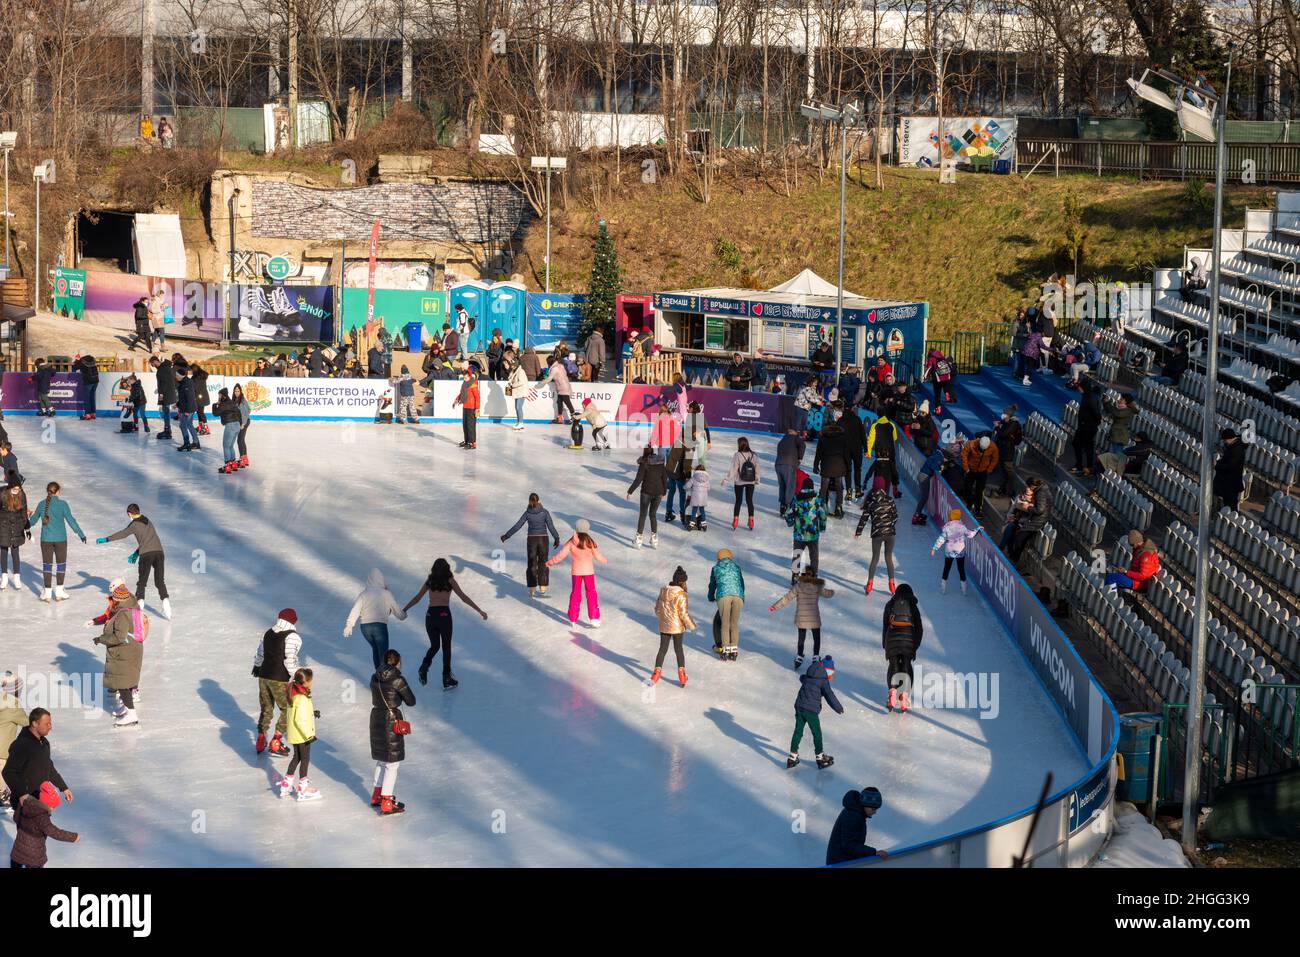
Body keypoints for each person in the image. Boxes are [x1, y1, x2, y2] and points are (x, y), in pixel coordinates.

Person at [401, 558, 486, 690]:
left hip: (430, 616)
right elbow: (464, 597)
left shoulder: (430, 581)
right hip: (444, 615)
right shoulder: (450, 581)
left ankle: (424, 666)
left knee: (434, 645)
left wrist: (404, 609)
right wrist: (479, 610)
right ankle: (446, 678)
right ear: (447, 568)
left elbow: (417, 598)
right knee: (446, 647)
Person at [96, 503, 170, 618]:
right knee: (160, 581)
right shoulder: (147, 521)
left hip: (146, 555)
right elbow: (148, 539)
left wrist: (107, 539)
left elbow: (123, 534)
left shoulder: (134, 525)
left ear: (129, 514)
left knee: (142, 583)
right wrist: (136, 553)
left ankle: (139, 608)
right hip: (159, 553)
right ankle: (166, 604)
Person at [92, 580, 146, 728]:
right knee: (127, 681)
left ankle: (131, 714)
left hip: (124, 652)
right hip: (134, 648)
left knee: (122, 684)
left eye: (115, 597)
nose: (112, 599)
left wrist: (101, 639)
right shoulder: (133, 605)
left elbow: (118, 637)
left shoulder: (123, 613)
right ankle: (126, 708)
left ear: (119, 598)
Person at [369, 649, 416, 816]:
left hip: (376, 717)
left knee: (382, 760)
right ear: (397, 662)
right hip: (391, 719)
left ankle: (377, 795)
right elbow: (411, 701)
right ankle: (387, 801)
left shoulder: (375, 677)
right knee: (392, 763)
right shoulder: (397, 679)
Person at [3, 708, 72, 815]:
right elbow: (8, 772)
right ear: (35, 723)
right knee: (28, 832)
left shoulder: (44, 743)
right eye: (47, 724)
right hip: (26, 803)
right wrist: (22, 794)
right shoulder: (21, 745)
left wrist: (64, 787)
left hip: (42, 800)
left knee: (42, 830)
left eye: (50, 723)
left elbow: (49, 767)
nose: (50, 727)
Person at [253, 608, 301, 757]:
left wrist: (257, 665)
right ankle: (276, 740)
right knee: (288, 709)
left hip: (264, 676)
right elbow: (289, 660)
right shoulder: (292, 637)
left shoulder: (267, 632)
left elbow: (260, 652)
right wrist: (297, 677)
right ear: (293, 621)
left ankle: (261, 738)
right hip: (279, 678)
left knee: (266, 708)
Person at [27, 482, 85, 602]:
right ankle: (59, 592)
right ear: (58, 491)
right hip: (60, 540)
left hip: (46, 540)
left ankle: (47, 593)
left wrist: (24, 522)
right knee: (61, 565)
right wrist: (80, 534)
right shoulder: (63, 504)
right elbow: (71, 520)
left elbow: (32, 522)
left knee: (47, 565)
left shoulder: (42, 504)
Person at [545, 521, 607, 627]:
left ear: (577, 529)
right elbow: (598, 556)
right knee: (591, 593)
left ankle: (573, 618)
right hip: (588, 573)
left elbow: (561, 555)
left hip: (576, 573)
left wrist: (550, 562)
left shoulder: (571, 542)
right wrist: (604, 561)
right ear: (587, 529)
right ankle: (594, 618)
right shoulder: (590, 542)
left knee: (575, 593)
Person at [770, 569, 835, 669]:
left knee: (801, 638)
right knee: (816, 638)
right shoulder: (818, 586)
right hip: (814, 617)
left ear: (804, 575)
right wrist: (832, 592)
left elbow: (787, 598)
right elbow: (827, 594)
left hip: (801, 617)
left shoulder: (798, 586)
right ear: (814, 576)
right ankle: (816, 657)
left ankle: (799, 656)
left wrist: (774, 606)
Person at [345, 569, 408, 672]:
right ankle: (384, 678)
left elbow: (355, 610)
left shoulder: (364, 594)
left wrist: (349, 624)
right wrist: (403, 615)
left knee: (375, 649)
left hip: (365, 628)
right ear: (381, 579)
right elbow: (396, 610)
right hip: (379, 627)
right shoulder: (386, 593)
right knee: (384, 654)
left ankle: (378, 675)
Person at [786, 655, 842, 770]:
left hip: (799, 706)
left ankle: (792, 757)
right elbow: (829, 695)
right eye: (830, 673)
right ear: (827, 670)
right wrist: (838, 707)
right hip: (811, 710)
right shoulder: (823, 679)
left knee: (798, 731)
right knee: (817, 733)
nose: (830, 675)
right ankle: (820, 758)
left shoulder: (810, 673)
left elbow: (802, 678)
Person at [10, 781, 79, 868]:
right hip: (34, 854)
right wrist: (73, 837)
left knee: (16, 861)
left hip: (19, 847)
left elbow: (16, 818)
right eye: (53, 807)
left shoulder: (26, 804)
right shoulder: (42, 817)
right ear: (48, 804)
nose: (53, 809)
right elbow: (54, 832)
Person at [276, 669, 321, 801]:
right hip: (302, 734)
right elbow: (300, 720)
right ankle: (303, 789)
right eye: (310, 680)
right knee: (305, 759)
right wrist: (309, 736)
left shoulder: (294, 692)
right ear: (305, 682)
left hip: (295, 733)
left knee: (297, 758)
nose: (312, 682)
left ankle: (286, 784)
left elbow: (298, 713)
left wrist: (313, 712)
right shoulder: (301, 698)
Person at [882, 582, 923, 712]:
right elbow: (919, 629)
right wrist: (915, 646)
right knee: (906, 665)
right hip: (908, 640)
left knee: (893, 665)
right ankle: (904, 696)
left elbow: (885, 626)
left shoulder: (890, 604)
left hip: (892, 639)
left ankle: (892, 693)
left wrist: (885, 643)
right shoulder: (913, 606)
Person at [652, 566, 696, 687]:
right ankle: (682, 676)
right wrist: (692, 626)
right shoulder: (681, 594)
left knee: (662, 649)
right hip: (677, 627)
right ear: (683, 582)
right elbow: (683, 614)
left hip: (664, 626)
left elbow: (657, 609)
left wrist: (663, 619)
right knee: (678, 650)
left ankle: (656, 673)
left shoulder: (663, 591)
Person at [856, 476, 898, 595]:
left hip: (877, 534)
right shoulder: (890, 500)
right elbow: (895, 516)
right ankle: (892, 584)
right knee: (888, 557)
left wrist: (858, 532)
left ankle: (869, 584)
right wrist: (890, 525)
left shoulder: (871, 502)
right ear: (884, 487)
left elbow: (864, 518)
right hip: (890, 534)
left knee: (875, 558)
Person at [826, 787, 886, 864]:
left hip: (843, 861)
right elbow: (849, 845)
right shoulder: (853, 816)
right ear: (865, 804)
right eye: (873, 809)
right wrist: (873, 852)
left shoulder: (856, 813)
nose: (875, 812)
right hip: (840, 863)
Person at [785, 476, 827, 580]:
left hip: (799, 534)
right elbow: (823, 514)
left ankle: (795, 576)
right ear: (812, 487)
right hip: (813, 535)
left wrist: (791, 523)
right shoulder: (817, 500)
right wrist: (821, 527)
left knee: (797, 555)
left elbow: (788, 513)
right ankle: (813, 576)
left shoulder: (796, 499)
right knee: (814, 557)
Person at [707, 548, 745, 660]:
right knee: (734, 623)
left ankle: (725, 649)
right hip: (738, 596)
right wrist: (742, 597)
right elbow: (741, 583)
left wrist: (710, 597)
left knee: (725, 624)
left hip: (724, 596)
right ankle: (733, 650)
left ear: (718, 558)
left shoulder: (716, 568)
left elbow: (712, 585)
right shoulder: (737, 567)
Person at [627, 445, 668, 548]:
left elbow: (638, 479)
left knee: (643, 515)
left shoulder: (644, 463)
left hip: (646, 492)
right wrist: (664, 492)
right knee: (653, 515)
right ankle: (654, 539)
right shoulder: (660, 462)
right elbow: (664, 478)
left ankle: (638, 539)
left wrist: (630, 491)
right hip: (658, 493)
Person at [932, 509, 979, 595]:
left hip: (949, 551)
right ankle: (964, 589)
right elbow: (970, 535)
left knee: (947, 568)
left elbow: (941, 539)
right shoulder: (963, 527)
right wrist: (977, 529)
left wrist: (934, 548)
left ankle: (943, 586)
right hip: (960, 551)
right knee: (961, 569)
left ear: (951, 517)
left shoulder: (947, 528)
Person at [813, 418, 849, 518]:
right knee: (839, 488)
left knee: (824, 488)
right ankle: (838, 508)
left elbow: (818, 454)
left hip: (826, 466)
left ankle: (821, 508)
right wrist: (848, 467)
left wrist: (815, 466)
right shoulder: (843, 438)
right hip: (839, 466)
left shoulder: (823, 438)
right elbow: (846, 454)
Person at [722, 436, 759, 530]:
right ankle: (751, 521)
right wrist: (757, 479)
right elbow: (757, 468)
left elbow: (733, 469)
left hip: (739, 481)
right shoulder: (754, 455)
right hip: (751, 481)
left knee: (738, 501)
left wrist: (726, 479)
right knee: (749, 500)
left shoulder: (737, 455)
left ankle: (735, 521)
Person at [0, 672, 25, 807]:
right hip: (2, 747)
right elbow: (26, 722)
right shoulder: (13, 706)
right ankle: (1, 795)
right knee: (3, 769)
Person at [960, 435, 999, 517]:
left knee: (980, 490)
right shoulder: (971, 444)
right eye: (981, 448)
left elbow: (995, 459)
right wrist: (966, 468)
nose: (982, 450)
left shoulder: (993, 447)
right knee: (967, 487)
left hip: (983, 471)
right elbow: (964, 455)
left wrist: (989, 469)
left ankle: (978, 509)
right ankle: (969, 502)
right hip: (971, 470)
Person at [1070, 379, 1103, 477]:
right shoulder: (1086, 396)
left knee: (1087, 447)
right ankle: (1080, 465)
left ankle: (1088, 467)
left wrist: (1094, 423)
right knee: (1078, 444)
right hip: (1084, 426)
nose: (1079, 389)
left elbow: (1097, 413)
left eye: (1080, 387)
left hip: (1088, 427)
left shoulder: (1090, 398)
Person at [866, 414, 902, 499]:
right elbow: (895, 438)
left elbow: (870, 439)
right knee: (891, 473)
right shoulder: (891, 425)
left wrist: (868, 452)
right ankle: (892, 491)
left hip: (880, 454)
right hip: (890, 453)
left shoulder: (875, 425)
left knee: (878, 474)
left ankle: (876, 494)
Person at [0, 480, 27, 593]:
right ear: (10, 487)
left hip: (17, 526)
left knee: (15, 552)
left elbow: (24, 512)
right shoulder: (2, 494)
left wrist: (27, 527)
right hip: (3, 526)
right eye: (14, 489)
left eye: (18, 489)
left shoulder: (22, 495)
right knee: (4, 551)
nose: (16, 491)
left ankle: (17, 577)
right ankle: (4, 577)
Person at [1213, 428, 1247, 512]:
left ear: (1229, 438)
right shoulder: (1233, 447)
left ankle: (1233, 521)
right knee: (1228, 504)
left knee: (1231, 505)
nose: (1224, 442)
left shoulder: (1237, 449)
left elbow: (1231, 466)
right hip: (1228, 483)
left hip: (1232, 483)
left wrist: (1217, 465)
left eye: (1225, 440)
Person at [991, 406, 1023, 495]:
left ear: (1008, 415)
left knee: (1008, 471)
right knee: (1004, 471)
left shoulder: (1014, 424)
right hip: (1002, 450)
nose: (1003, 415)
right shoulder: (1007, 421)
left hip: (1007, 451)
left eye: (1004, 414)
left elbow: (1004, 434)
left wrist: (997, 427)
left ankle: (1011, 490)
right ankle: (1004, 488)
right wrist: (999, 423)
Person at [211, 388, 243, 474]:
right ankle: (233, 464)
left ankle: (228, 466)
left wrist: (215, 405)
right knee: (230, 446)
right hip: (236, 425)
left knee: (226, 446)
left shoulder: (223, 404)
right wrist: (240, 423)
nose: (219, 396)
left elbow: (215, 413)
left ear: (223, 395)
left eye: (219, 395)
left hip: (230, 425)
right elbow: (239, 412)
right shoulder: (231, 402)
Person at [775, 428, 805, 516]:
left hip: (778, 465)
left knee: (782, 485)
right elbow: (803, 445)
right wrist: (799, 458)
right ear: (794, 432)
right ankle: (788, 506)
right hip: (789, 465)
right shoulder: (795, 438)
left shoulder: (782, 440)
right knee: (790, 486)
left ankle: (782, 506)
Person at [840, 403, 867, 500]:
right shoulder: (857, 419)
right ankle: (858, 490)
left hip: (845, 448)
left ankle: (849, 491)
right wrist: (866, 449)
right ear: (852, 409)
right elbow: (863, 435)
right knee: (857, 469)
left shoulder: (840, 420)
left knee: (848, 470)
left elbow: (838, 436)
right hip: (857, 449)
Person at [664, 440, 694, 526]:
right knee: (682, 492)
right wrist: (688, 477)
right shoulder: (690, 445)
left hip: (670, 469)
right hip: (678, 473)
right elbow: (686, 464)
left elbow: (671, 454)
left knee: (672, 490)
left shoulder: (679, 440)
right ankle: (682, 515)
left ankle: (668, 512)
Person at [452, 363, 480, 450]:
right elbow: (461, 394)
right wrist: (456, 400)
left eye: (466, 377)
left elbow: (477, 397)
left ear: (469, 376)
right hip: (465, 406)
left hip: (472, 408)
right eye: (464, 377)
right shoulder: (464, 384)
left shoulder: (473, 385)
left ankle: (472, 442)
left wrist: (477, 408)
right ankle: (467, 440)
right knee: (465, 425)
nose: (465, 378)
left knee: (470, 425)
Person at [151, 354, 177, 441]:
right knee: (166, 412)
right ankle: (167, 430)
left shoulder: (163, 369)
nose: (152, 366)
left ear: (155, 361)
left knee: (166, 412)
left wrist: (161, 394)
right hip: (167, 393)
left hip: (166, 394)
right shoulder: (164, 367)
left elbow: (164, 382)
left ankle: (167, 432)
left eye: (152, 364)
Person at [175, 364, 200, 452]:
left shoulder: (186, 384)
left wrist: (187, 411)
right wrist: (177, 404)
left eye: (176, 375)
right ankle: (196, 442)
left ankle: (187, 444)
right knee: (189, 425)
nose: (175, 377)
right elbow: (183, 398)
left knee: (183, 425)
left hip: (188, 409)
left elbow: (189, 398)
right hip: (189, 408)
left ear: (180, 376)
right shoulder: (184, 382)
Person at [684, 462, 711, 531]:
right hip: (703, 498)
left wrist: (684, 487)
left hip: (695, 497)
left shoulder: (694, 477)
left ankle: (692, 524)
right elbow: (708, 488)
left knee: (694, 510)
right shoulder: (707, 479)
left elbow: (687, 486)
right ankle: (704, 524)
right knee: (702, 510)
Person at [232, 383, 252, 469]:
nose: (236, 392)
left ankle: (243, 459)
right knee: (241, 440)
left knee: (240, 440)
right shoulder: (235, 400)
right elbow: (249, 409)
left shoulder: (242, 400)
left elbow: (246, 412)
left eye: (238, 391)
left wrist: (243, 423)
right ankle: (244, 458)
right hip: (242, 422)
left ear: (240, 391)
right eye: (235, 391)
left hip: (244, 422)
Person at [505, 358, 529, 430]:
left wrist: (512, 385)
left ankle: (521, 423)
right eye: (511, 365)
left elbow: (521, 382)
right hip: (518, 392)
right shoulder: (514, 371)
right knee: (517, 408)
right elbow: (510, 378)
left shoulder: (521, 371)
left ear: (516, 365)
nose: (512, 366)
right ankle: (519, 422)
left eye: (513, 365)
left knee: (519, 407)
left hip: (521, 392)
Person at [76, 354, 99, 420]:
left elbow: (75, 367)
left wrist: (77, 360)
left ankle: (87, 414)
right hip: (95, 381)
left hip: (88, 382)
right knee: (92, 397)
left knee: (87, 398)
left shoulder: (82, 361)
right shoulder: (93, 360)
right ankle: (93, 413)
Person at [192, 364, 212, 437]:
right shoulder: (201, 376)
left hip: (200, 398)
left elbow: (194, 387)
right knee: (199, 413)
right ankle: (201, 427)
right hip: (202, 397)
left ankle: (206, 428)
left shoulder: (197, 378)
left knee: (200, 413)